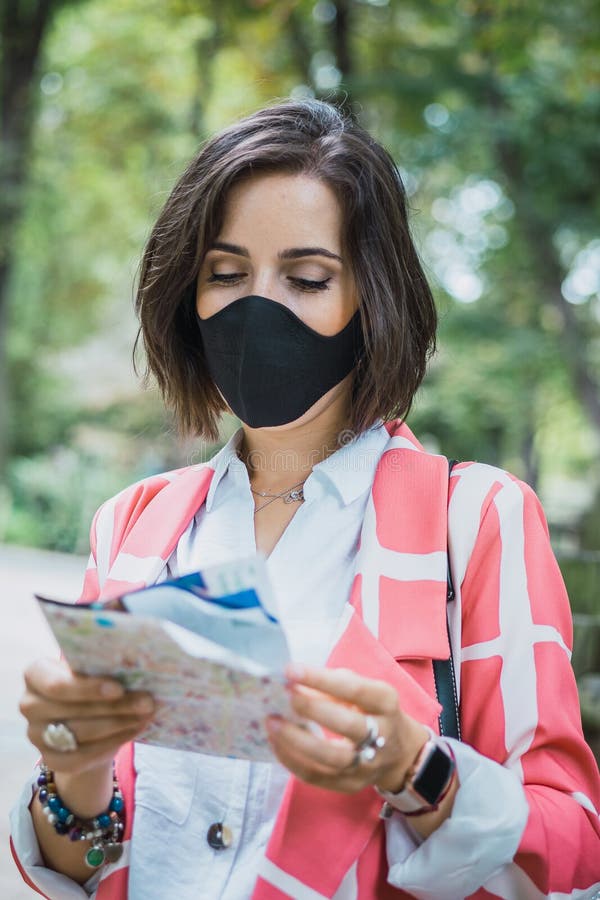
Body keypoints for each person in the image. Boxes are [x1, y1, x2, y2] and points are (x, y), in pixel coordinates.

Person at [10, 98, 600, 900]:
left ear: (373, 299)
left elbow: (572, 853)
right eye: (225, 274)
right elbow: (83, 857)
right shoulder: (133, 523)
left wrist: (414, 770)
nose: (260, 309)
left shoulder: (478, 521)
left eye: (307, 277)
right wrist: (70, 767)